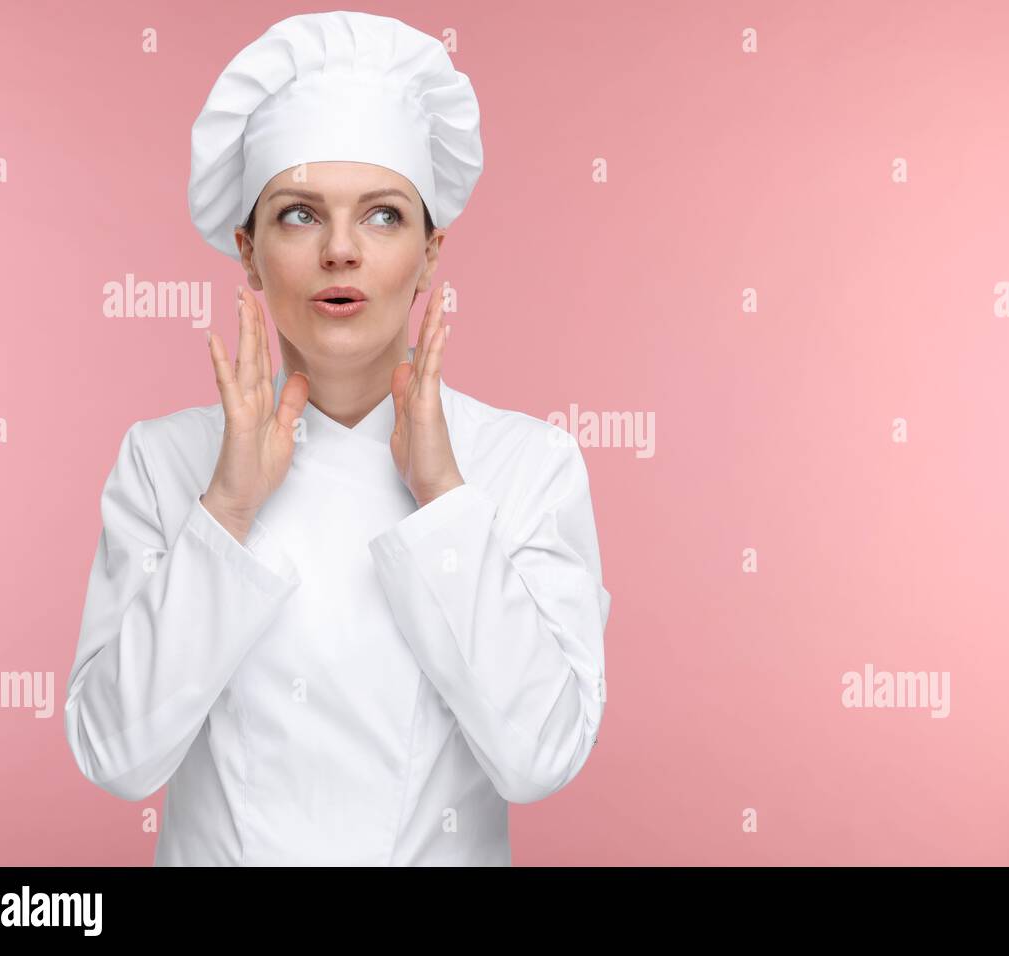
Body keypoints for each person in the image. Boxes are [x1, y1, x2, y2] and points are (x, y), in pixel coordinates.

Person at [62, 11, 611, 866]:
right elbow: (116, 758)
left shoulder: (525, 465)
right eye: (299, 216)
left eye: (385, 217)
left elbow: (538, 761)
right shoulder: (165, 461)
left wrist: (443, 501)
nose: (343, 251)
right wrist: (228, 510)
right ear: (247, 253)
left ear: (430, 255)